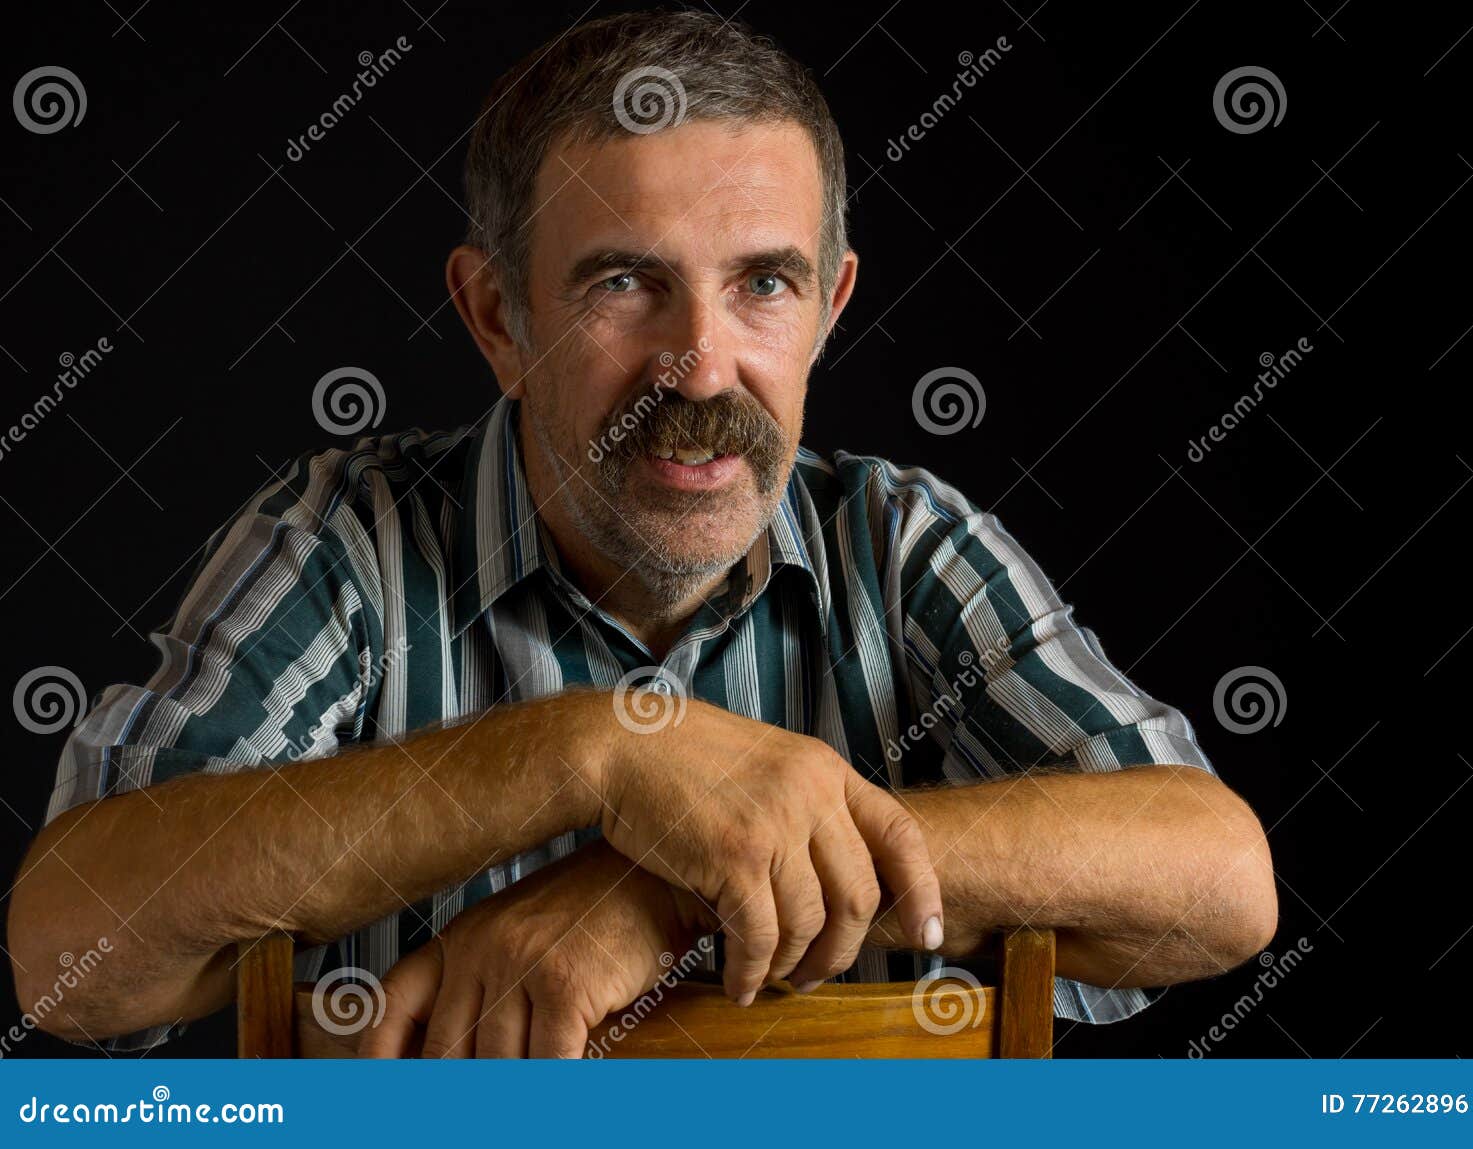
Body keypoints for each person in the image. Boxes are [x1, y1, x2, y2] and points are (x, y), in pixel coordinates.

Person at [7, 10, 1275, 1058]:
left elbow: (1220, 880)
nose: (702, 367)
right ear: (496, 315)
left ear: (828, 306)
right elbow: (68, 955)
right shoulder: (347, 541)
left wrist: (671, 892)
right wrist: (591, 754)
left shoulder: (896, 544)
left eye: (762, 284)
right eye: (626, 283)